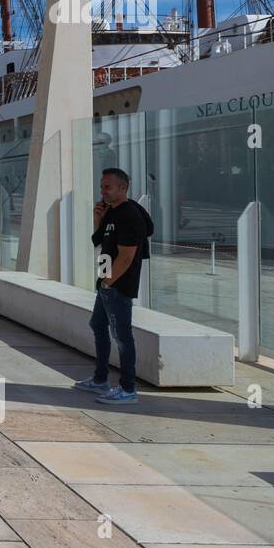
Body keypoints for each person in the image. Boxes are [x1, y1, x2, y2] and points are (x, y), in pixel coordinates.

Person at [75, 168, 153, 406]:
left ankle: (128, 389)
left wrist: (110, 283)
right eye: (102, 186)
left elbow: (127, 257)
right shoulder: (111, 212)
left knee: (122, 336)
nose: (103, 191)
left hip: (118, 285)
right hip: (106, 282)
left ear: (123, 187)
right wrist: (99, 219)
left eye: (108, 186)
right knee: (97, 325)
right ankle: (100, 379)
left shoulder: (129, 215)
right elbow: (99, 242)